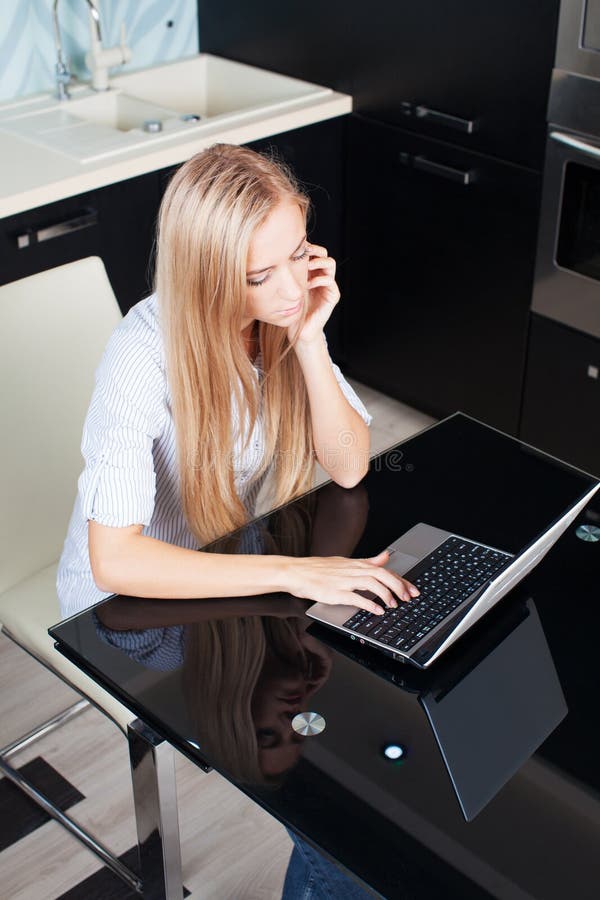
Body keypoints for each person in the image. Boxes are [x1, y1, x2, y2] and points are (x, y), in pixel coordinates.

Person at [57, 143, 419, 622]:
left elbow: (348, 466)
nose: (292, 289)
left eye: (297, 256)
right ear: (206, 277)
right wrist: (294, 572)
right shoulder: (142, 354)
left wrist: (310, 343)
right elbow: (115, 560)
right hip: (127, 611)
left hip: (224, 571)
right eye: (259, 276)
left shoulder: (283, 315)